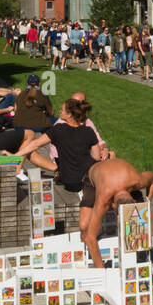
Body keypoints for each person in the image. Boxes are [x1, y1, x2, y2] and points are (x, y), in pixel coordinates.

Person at [12, 98, 108, 236]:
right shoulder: (88, 131)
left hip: (68, 180)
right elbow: (96, 157)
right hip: (87, 179)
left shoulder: (58, 130)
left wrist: (15, 156)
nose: (59, 111)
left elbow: (35, 144)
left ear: (69, 114)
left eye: (62, 110)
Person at [81, 157, 153, 268]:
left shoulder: (137, 181)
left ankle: (135, 255)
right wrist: (102, 271)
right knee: (84, 226)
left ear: (133, 199)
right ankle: (89, 258)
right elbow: (90, 237)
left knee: (147, 216)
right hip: (93, 177)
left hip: (124, 178)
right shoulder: (103, 199)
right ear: (111, 205)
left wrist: (147, 204)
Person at [12, 74, 54, 147]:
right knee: (57, 121)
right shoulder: (42, 94)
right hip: (38, 125)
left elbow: (16, 109)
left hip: (18, 125)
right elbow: (51, 112)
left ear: (27, 83)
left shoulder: (21, 95)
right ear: (39, 83)